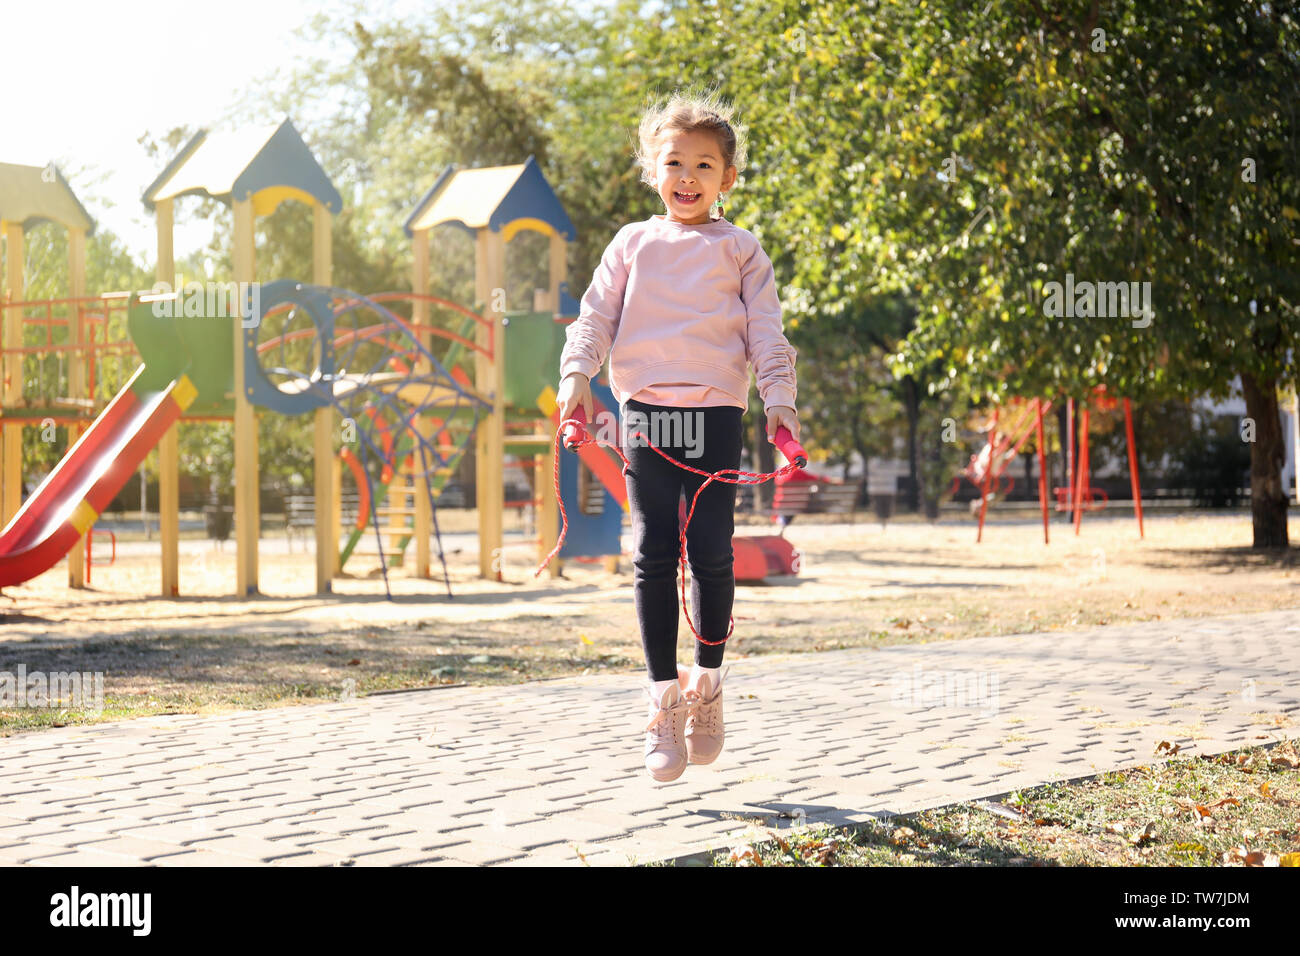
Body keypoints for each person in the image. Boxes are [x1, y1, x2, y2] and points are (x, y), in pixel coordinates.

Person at [555, 88, 800, 783]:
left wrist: (779, 400)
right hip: (646, 420)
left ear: (728, 177)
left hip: (718, 416)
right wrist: (577, 375)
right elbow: (595, 316)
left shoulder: (742, 250)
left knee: (712, 555)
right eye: (673, 162)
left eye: (703, 164)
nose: (686, 177)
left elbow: (766, 335)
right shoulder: (632, 243)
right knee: (653, 554)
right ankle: (662, 700)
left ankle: (708, 685)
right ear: (652, 170)